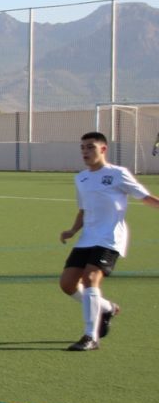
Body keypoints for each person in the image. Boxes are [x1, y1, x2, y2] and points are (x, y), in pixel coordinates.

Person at [59, 132, 159, 351]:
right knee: (67, 284)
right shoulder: (81, 178)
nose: (85, 152)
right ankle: (106, 308)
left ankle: (90, 336)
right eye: (82, 148)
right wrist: (73, 230)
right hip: (87, 239)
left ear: (103, 149)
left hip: (110, 238)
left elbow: (145, 198)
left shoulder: (118, 174)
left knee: (90, 279)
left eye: (90, 147)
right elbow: (83, 209)